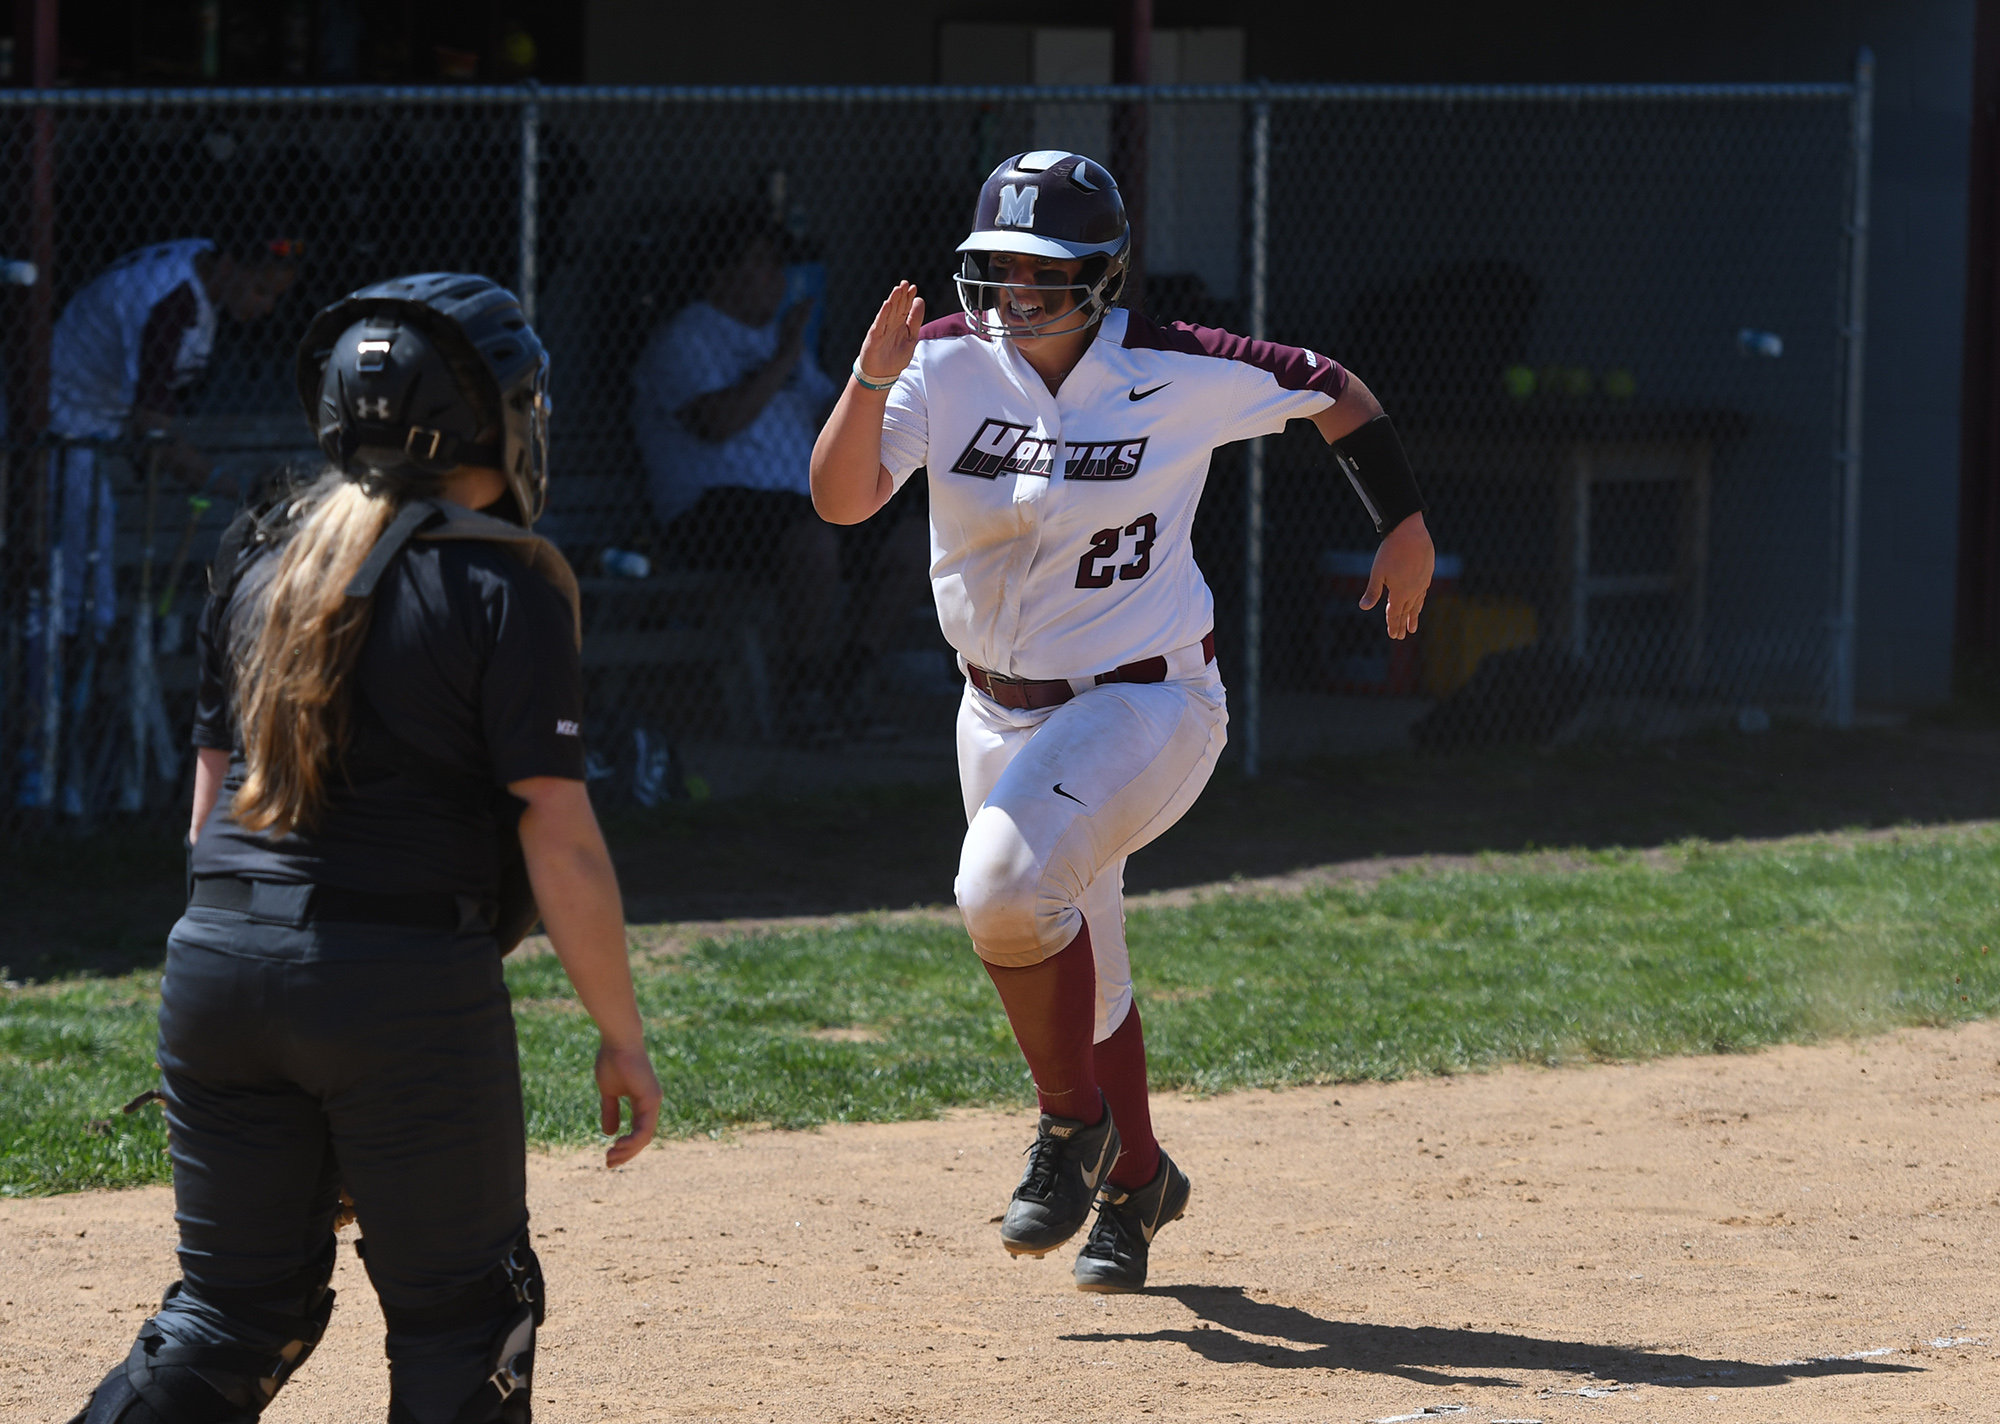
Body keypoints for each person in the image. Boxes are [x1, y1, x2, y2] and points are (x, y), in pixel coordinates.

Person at [810, 151, 1434, 1292]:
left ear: (1102, 274)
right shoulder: (942, 362)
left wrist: (1403, 523)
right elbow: (840, 499)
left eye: (1045, 270)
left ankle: (1071, 1125)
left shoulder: (1174, 364)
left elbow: (1332, 388)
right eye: (999, 266)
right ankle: (1137, 1181)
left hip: (1146, 698)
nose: (1017, 291)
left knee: (1002, 888)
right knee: (1074, 957)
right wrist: (866, 380)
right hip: (993, 706)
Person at [65, 273, 664, 1424]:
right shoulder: (499, 578)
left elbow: (207, 813)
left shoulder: (260, 555)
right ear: (489, 421)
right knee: (465, 1315)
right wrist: (621, 1036)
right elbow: (559, 836)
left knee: (235, 1312)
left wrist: (281, 1008)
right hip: (399, 982)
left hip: (215, 971)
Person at [17, 234, 301, 810]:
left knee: (88, 601)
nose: (264, 306)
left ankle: (69, 760)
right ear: (228, 264)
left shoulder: (195, 270)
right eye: (259, 289)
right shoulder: (175, 301)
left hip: (91, 428)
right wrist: (232, 487)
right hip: (64, 428)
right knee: (79, 604)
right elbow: (153, 432)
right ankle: (46, 764)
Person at [632, 204, 927, 734]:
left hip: (797, 507)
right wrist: (786, 356)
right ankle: (802, 692)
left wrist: (873, 374)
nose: (779, 278)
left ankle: (848, 679)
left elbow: (826, 414)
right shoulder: (687, 337)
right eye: (763, 264)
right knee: (812, 537)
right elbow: (718, 423)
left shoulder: (778, 339)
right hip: (708, 510)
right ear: (718, 273)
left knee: (909, 538)